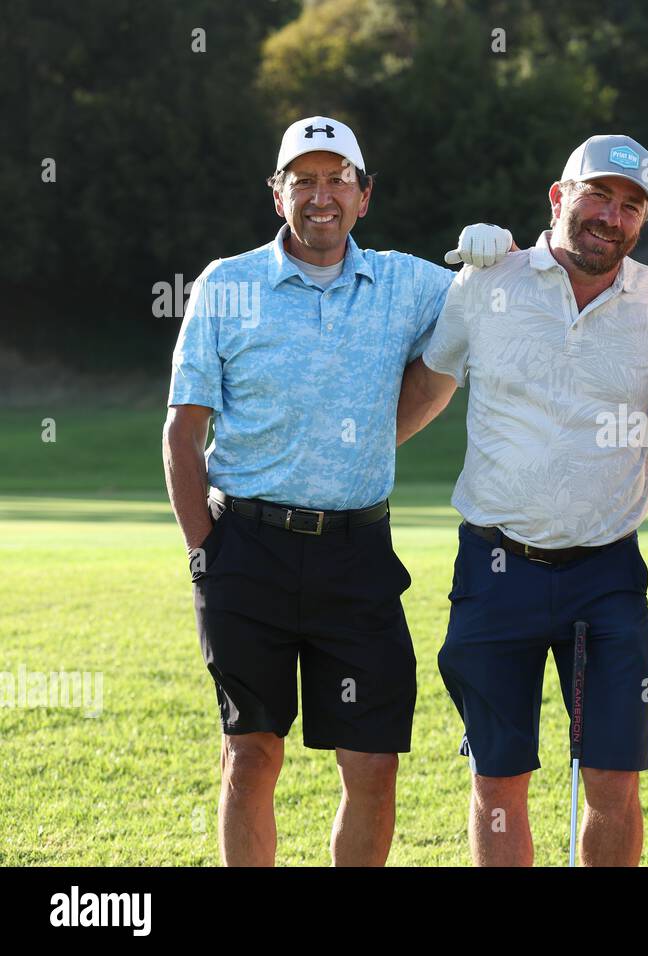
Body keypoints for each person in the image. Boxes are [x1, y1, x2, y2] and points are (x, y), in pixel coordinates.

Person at [163, 115, 512, 866]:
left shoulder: (406, 283)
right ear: (277, 194)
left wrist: (502, 253)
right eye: (304, 181)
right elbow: (181, 434)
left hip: (356, 556)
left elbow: (499, 307)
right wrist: (206, 554)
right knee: (251, 753)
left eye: (337, 180)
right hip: (245, 550)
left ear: (364, 196)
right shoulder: (226, 285)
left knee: (373, 764)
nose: (321, 196)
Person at [396, 134, 648, 866]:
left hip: (608, 573)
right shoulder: (486, 282)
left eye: (631, 206)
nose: (611, 217)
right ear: (559, 198)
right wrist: (343, 465)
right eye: (598, 196)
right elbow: (427, 391)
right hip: (497, 570)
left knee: (614, 780)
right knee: (498, 782)